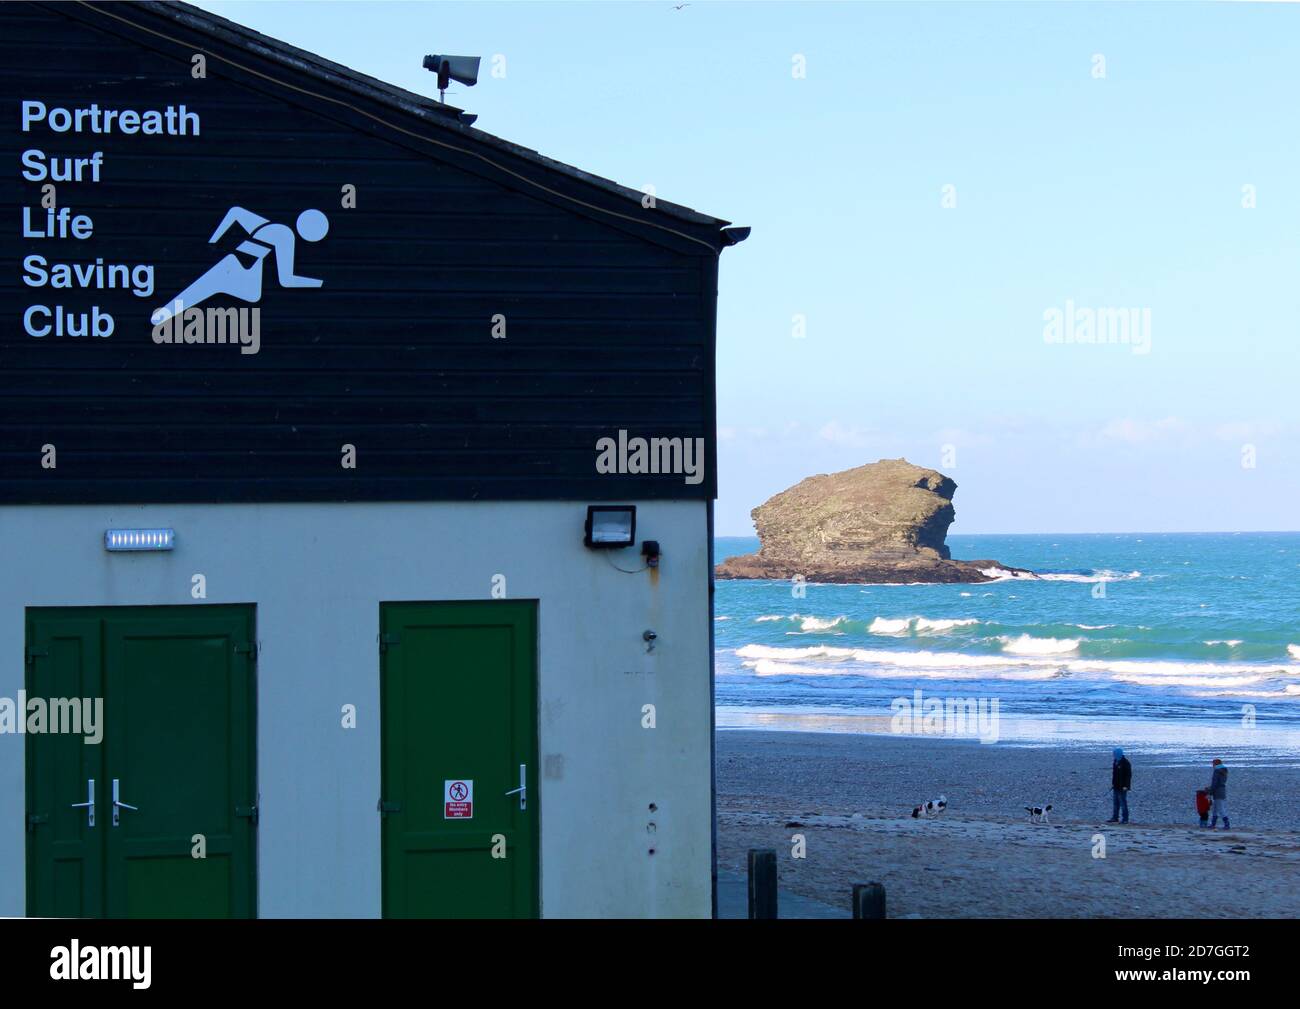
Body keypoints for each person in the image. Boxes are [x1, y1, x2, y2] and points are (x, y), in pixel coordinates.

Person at [1108, 747, 1131, 824]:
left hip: (1123, 787)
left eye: (1114, 754)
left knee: (1123, 803)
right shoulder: (1115, 761)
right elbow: (1114, 774)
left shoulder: (1126, 763)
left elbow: (1128, 776)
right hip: (1116, 786)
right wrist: (1113, 784)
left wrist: (1126, 786)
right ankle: (1115, 817)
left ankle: (1125, 819)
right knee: (1115, 803)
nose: (1113, 755)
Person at [1207, 758, 1230, 830]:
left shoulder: (1216, 771)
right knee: (1215, 808)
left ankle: (1227, 824)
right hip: (1222, 790)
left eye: (1213, 763)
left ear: (1215, 764)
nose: (1212, 765)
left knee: (1220, 808)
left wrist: (1210, 791)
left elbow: (1215, 783)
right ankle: (1213, 824)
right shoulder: (1224, 771)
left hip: (1217, 791)